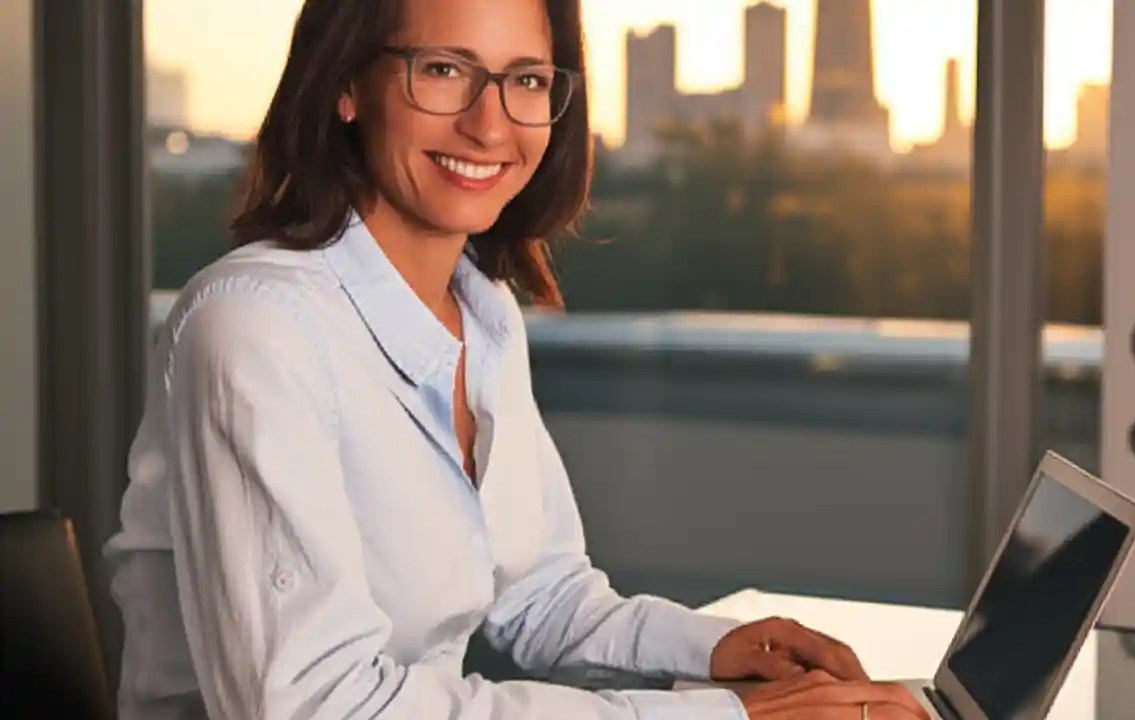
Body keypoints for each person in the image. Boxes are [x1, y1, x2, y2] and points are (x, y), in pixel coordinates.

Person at [104, 0, 930, 718]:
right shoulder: (255, 327)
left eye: (526, 80)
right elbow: (318, 706)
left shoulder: (485, 315)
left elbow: (541, 597)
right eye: (442, 69)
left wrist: (732, 654)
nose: (490, 124)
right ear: (346, 86)